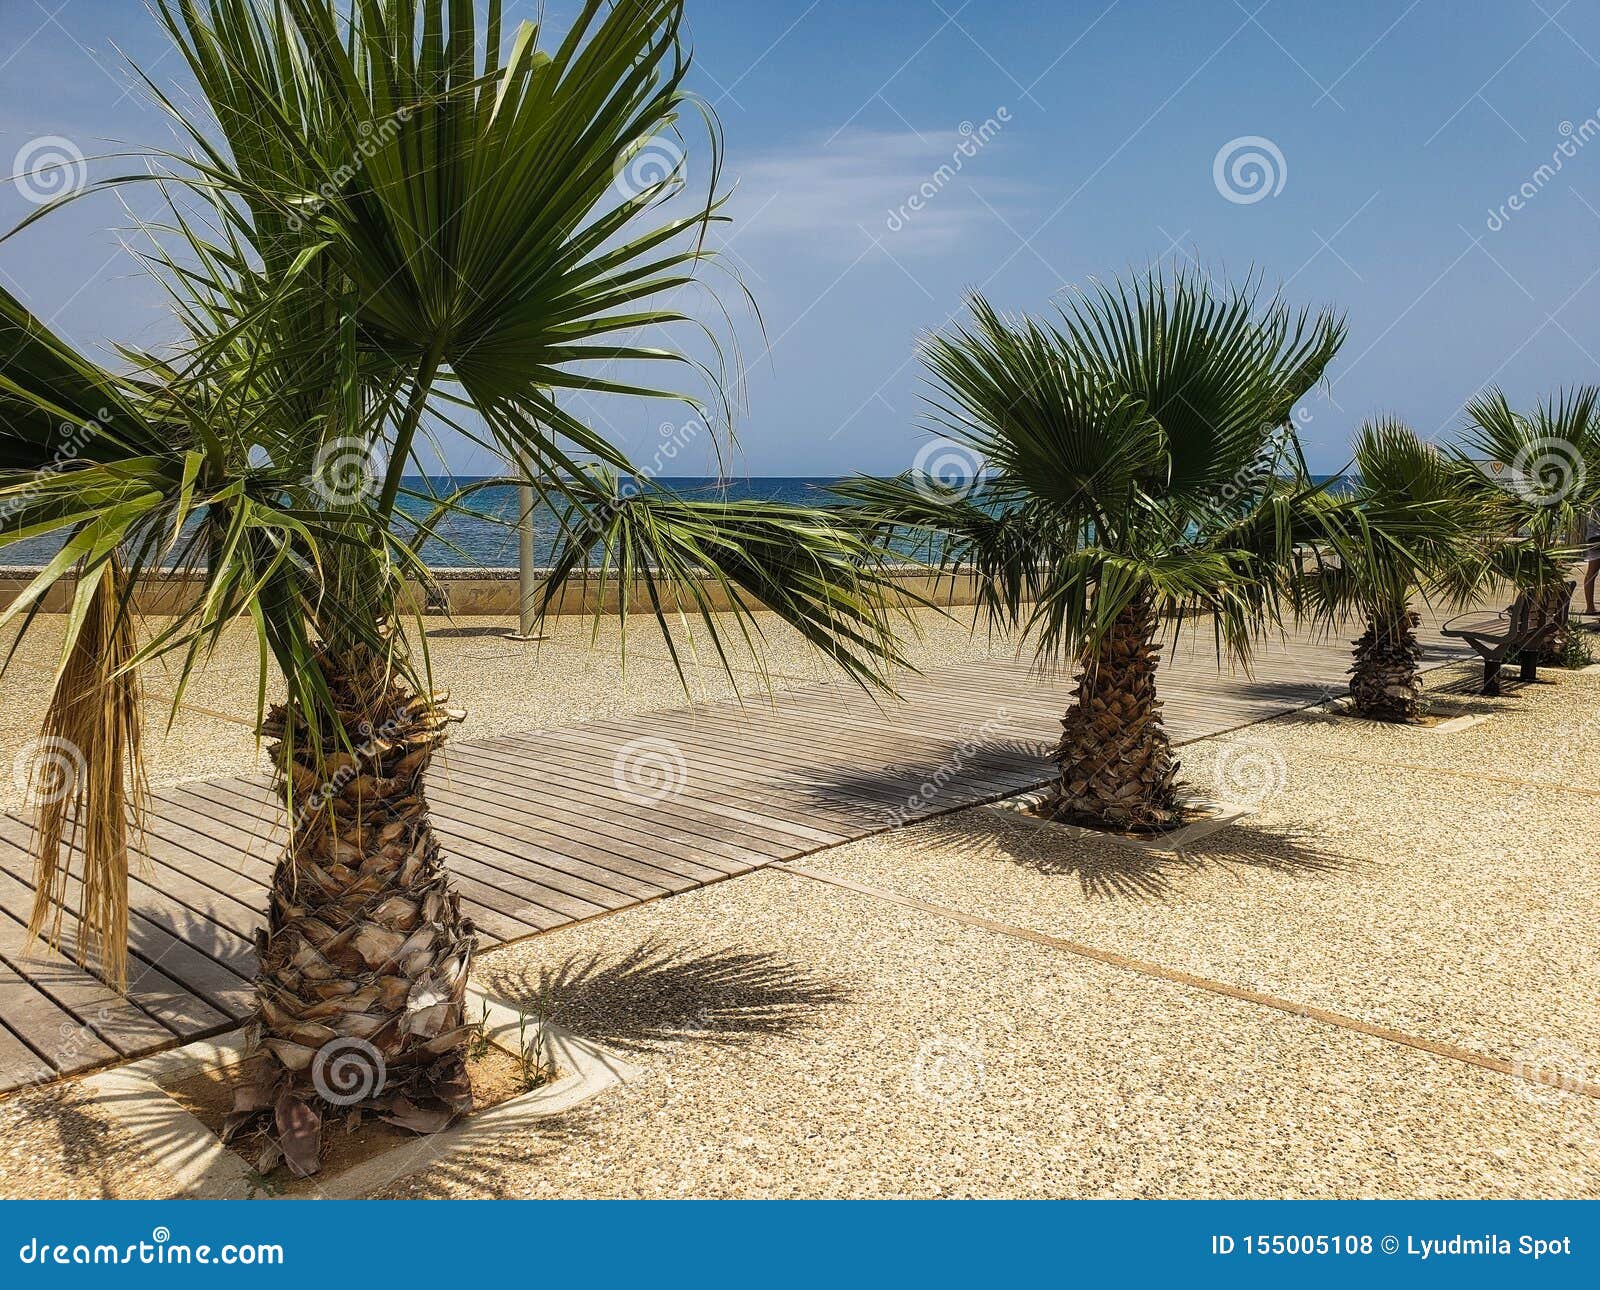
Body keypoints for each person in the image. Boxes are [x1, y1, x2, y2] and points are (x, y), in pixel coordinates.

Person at [1586, 503, 1600, 616]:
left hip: (1593, 536)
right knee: (1592, 573)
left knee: (1592, 573)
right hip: (1596, 535)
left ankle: (1590, 607)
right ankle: (1590, 607)